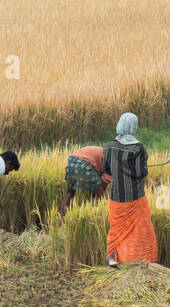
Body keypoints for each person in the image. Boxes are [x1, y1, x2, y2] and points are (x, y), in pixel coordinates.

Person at [101, 113, 157, 264]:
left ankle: (113, 257)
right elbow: (141, 173)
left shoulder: (109, 147)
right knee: (140, 230)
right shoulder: (138, 148)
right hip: (134, 196)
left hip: (116, 197)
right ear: (134, 127)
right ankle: (139, 260)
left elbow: (106, 170)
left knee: (116, 228)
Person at [59, 145, 107, 219]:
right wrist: (98, 195)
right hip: (84, 165)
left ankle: (60, 219)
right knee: (102, 198)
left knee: (70, 193)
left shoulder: (104, 152)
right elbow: (103, 182)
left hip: (71, 161)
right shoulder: (113, 162)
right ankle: (100, 220)